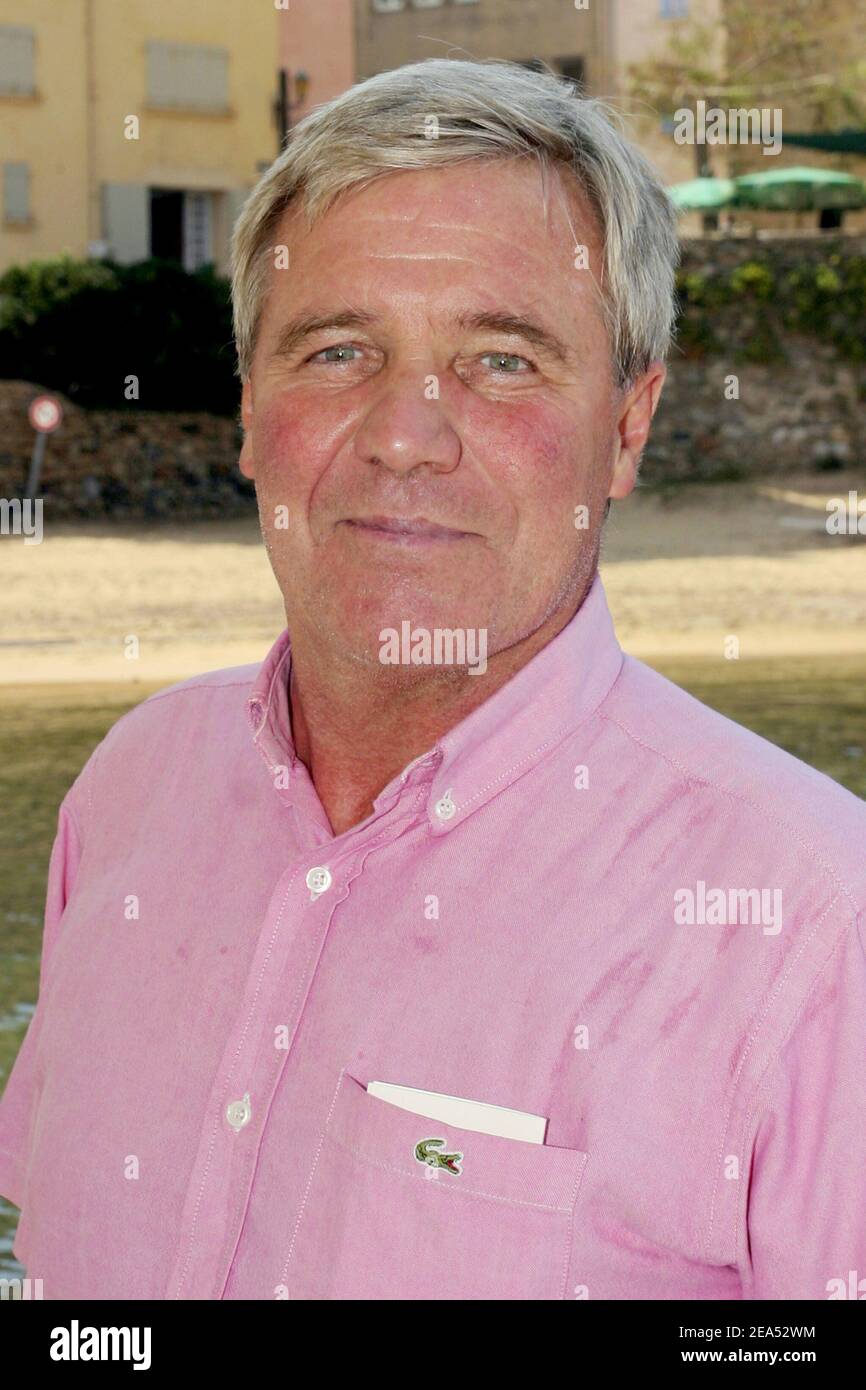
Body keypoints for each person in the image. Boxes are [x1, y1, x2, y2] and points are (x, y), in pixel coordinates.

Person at [1, 58, 864, 1301]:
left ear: (626, 427)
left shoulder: (812, 928)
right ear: (248, 407)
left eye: (501, 361)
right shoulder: (129, 792)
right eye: (338, 349)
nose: (406, 434)